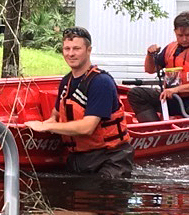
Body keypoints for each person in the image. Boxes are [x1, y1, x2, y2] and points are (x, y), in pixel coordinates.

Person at [24, 27, 134, 179]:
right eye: (67, 49)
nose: (71, 54)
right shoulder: (66, 82)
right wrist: (37, 126)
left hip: (110, 159)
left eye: (76, 48)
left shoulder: (101, 82)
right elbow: (55, 116)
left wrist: (46, 126)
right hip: (78, 159)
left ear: (88, 50)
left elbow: (87, 128)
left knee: (99, 188)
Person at [127, 10, 189, 123]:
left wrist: (176, 90)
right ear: (175, 32)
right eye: (180, 35)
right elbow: (150, 69)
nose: (184, 39)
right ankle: (155, 129)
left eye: (188, 35)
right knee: (136, 94)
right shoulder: (171, 48)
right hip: (173, 99)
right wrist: (149, 55)